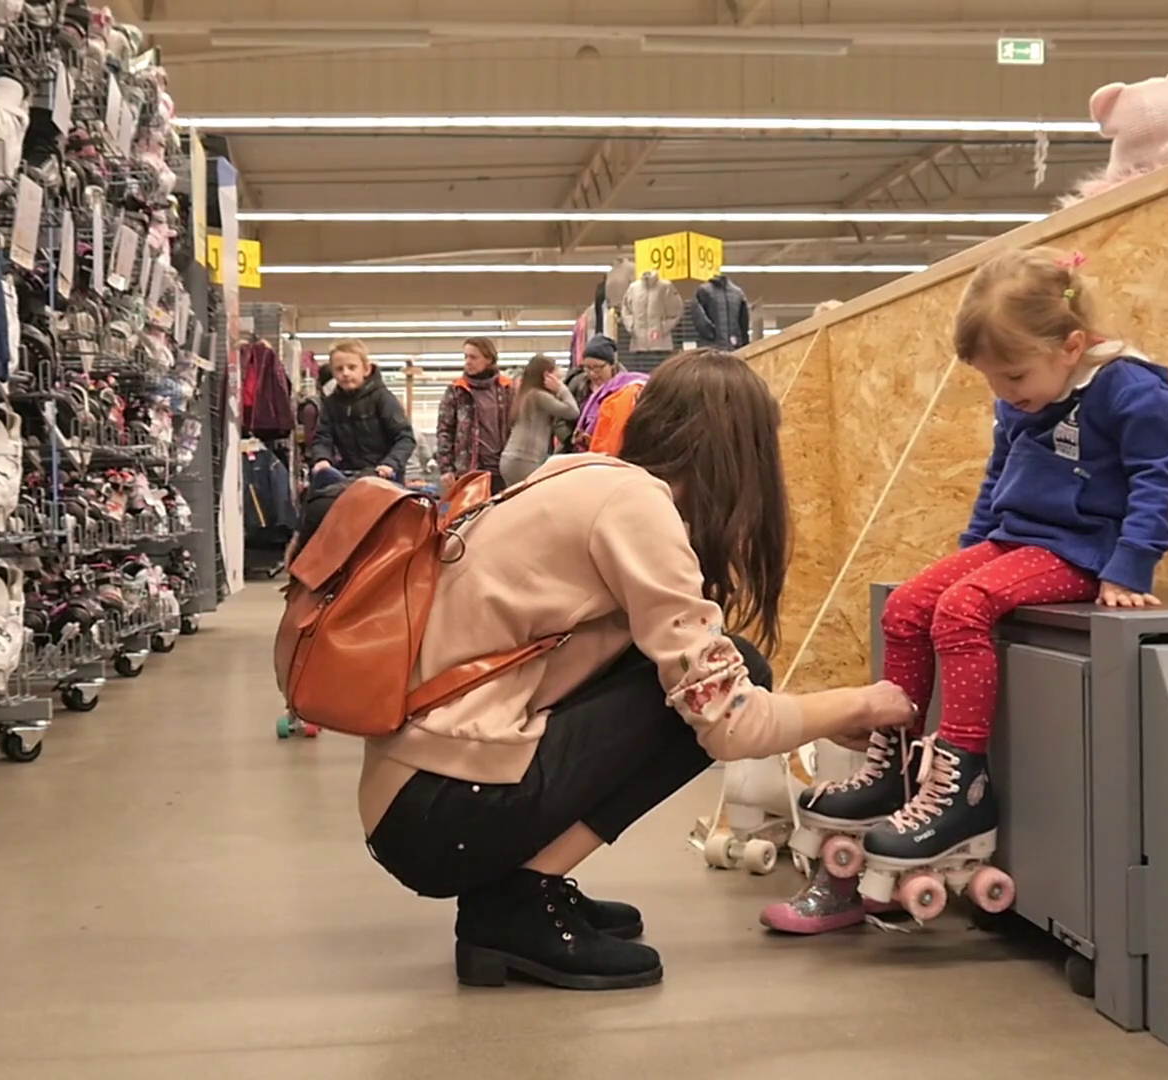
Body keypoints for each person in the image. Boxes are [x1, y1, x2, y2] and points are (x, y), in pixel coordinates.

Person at [360, 350, 920, 991]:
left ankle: (517, 890)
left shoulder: (584, 476)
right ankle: (514, 904)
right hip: (442, 812)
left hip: (420, 794)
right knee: (732, 681)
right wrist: (860, 705)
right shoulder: (638, 510)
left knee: (699, 675)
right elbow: (729, 721)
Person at [764, 246, 1168, 933]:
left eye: (1015, 375)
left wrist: (1130, 567)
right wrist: (969, 554)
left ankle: (961, 787)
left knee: (963, 612)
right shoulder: (1024, 394)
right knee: (909, 605)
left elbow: (1153, 481)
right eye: (994, 380)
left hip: (1081, 550)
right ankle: (893, 769)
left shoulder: (1130, 388)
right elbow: (998, 478)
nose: (1007, 393)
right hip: (1015, 541)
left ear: (1072, 345)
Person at [306, 339, 415, 489]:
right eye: (339, 369)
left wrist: (390, 464)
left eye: (352, 367)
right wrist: (322, 459)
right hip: (347, 476)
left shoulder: (383, 398)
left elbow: (405, 437)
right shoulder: (331, 404)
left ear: (366, 369)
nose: (345, 373)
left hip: (384, 478)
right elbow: (323, 438)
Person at [436, 337, 517, 493]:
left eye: (473, 357)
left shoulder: (507, 388)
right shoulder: (457, 390)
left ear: (489, 359)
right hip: (468, 471)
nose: (468, 362)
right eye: (465, 357)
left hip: (503, 469)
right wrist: (446, 468)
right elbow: (444, 430)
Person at [498, 354, 580, 487]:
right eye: (556, 372)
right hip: (526, 460)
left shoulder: (525, 395)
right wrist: (561, 389)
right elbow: (572, 411)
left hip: (511, 459)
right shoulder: (539, 396)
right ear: (547, 375)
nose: (560, 376)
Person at [570, 335, 645, 454]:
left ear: (611, 365)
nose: (592, 373)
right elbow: (561, 421)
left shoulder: (627, 389)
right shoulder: (578, 386)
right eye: (587, 368)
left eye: (598, 368)